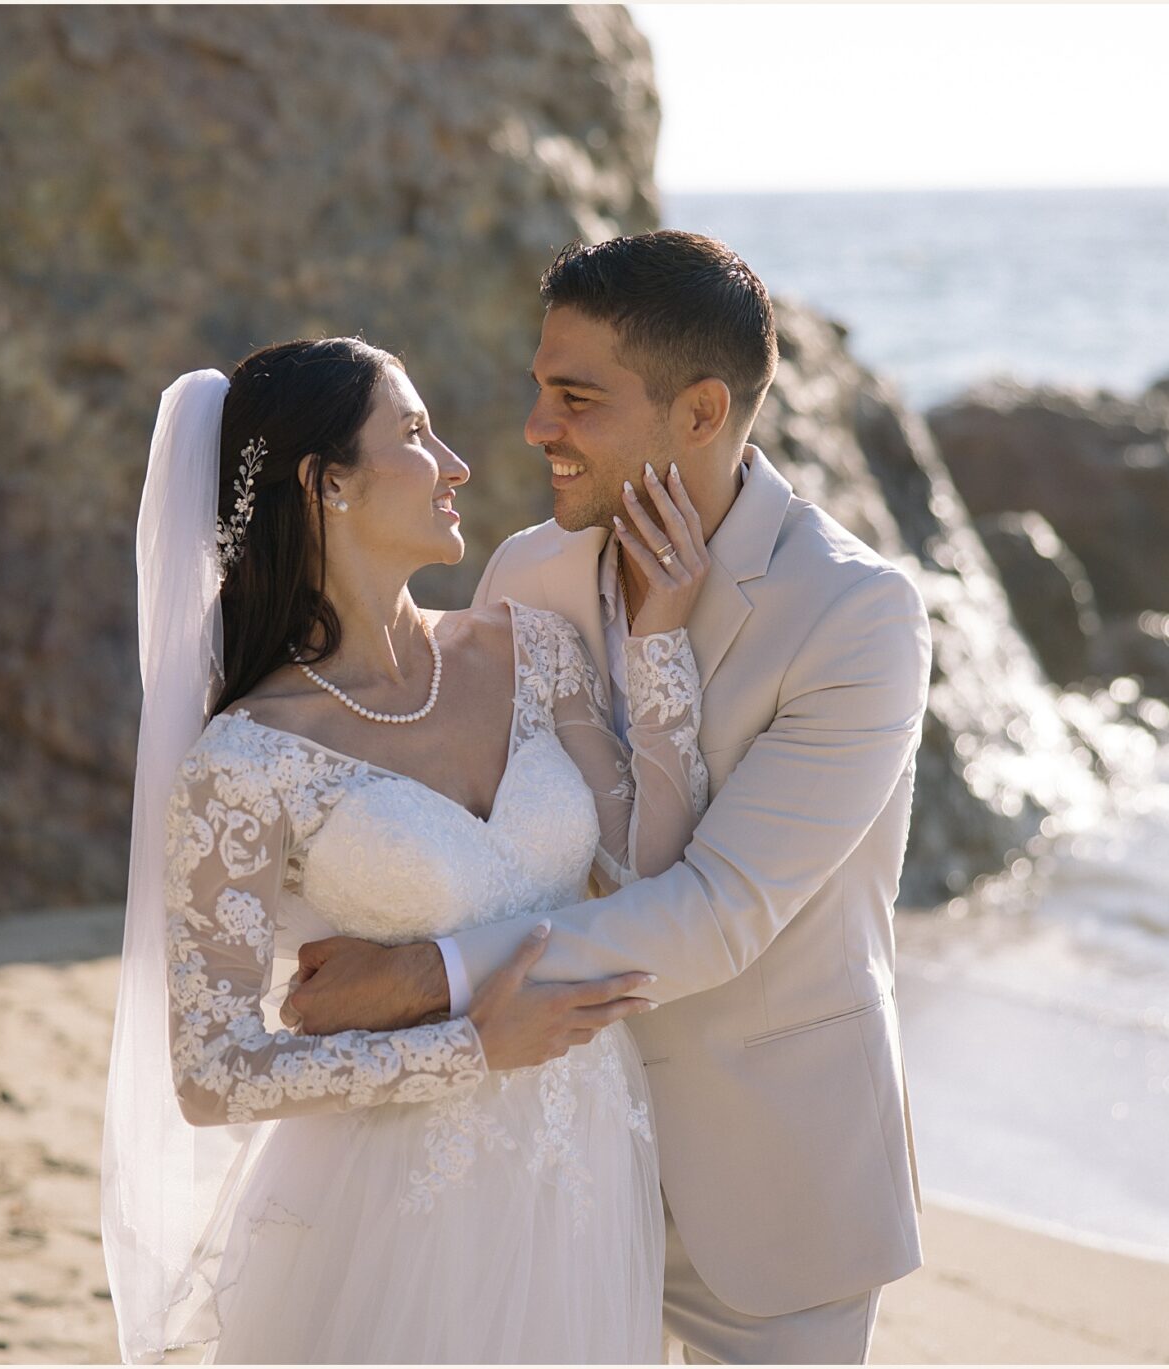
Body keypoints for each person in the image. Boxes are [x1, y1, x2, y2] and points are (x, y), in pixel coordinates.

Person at [285, 231, 933, 1364]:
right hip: (548, 1153)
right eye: (540, 389)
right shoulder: (526, 576)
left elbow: (719, 910)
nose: (537, 429)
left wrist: (425, 976)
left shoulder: (856, 617)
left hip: (775, 1185)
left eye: (575, 398)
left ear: (697, 414)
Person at [101, 334, 717, 1362]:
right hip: (387, 1204)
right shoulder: (246, 760)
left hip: (588, 1160)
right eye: (417, 436)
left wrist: (659, 638)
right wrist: (470, 1046)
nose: (459, 467)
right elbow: (211, 1073)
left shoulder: (534, 650)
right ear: (325, 482)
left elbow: (655, 871)